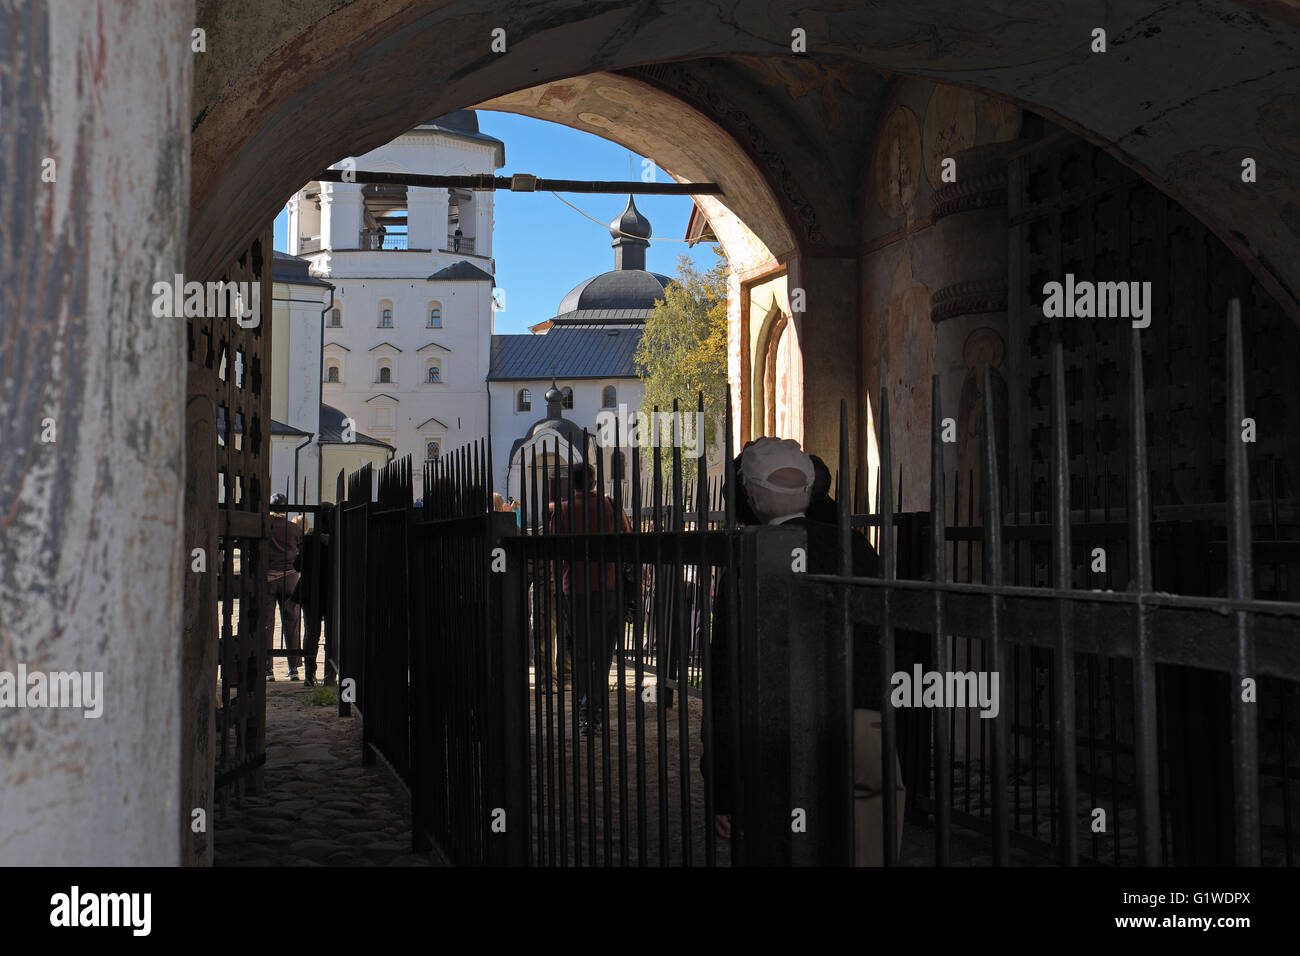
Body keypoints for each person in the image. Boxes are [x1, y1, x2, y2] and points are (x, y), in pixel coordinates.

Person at [704, 437, 881, 840]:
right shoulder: (853, 547)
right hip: (847, 734)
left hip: (770, 745)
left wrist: (724, 785)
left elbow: (726, 681)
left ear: (750, 495)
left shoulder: (747, 559)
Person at [548, 463, 633, 734]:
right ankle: (595, 708)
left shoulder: (560, 511)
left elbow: (555, 554)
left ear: (570, 483)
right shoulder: (611, 505)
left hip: (575, 588)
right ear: (594, 482)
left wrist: (559, 585)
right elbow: (627, 544)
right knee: (604, 652)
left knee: (581, 651)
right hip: (607, 587)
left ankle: (585, 708)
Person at [264, 493, 304, 681]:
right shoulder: (294, 528)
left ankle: (267, 669)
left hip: (268, 578)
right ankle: (293, 668)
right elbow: (300, 549)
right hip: (290, 578)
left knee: (267, 624)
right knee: (292, 622)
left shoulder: (265, 527)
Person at [294, 503, 335, 687]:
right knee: (331, 634)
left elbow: (297, 565)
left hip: (311, 591)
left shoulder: (310, 537)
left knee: (311, 632)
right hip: (332, 589)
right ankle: (330, 675)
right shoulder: (339, 536)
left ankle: (310, 675)